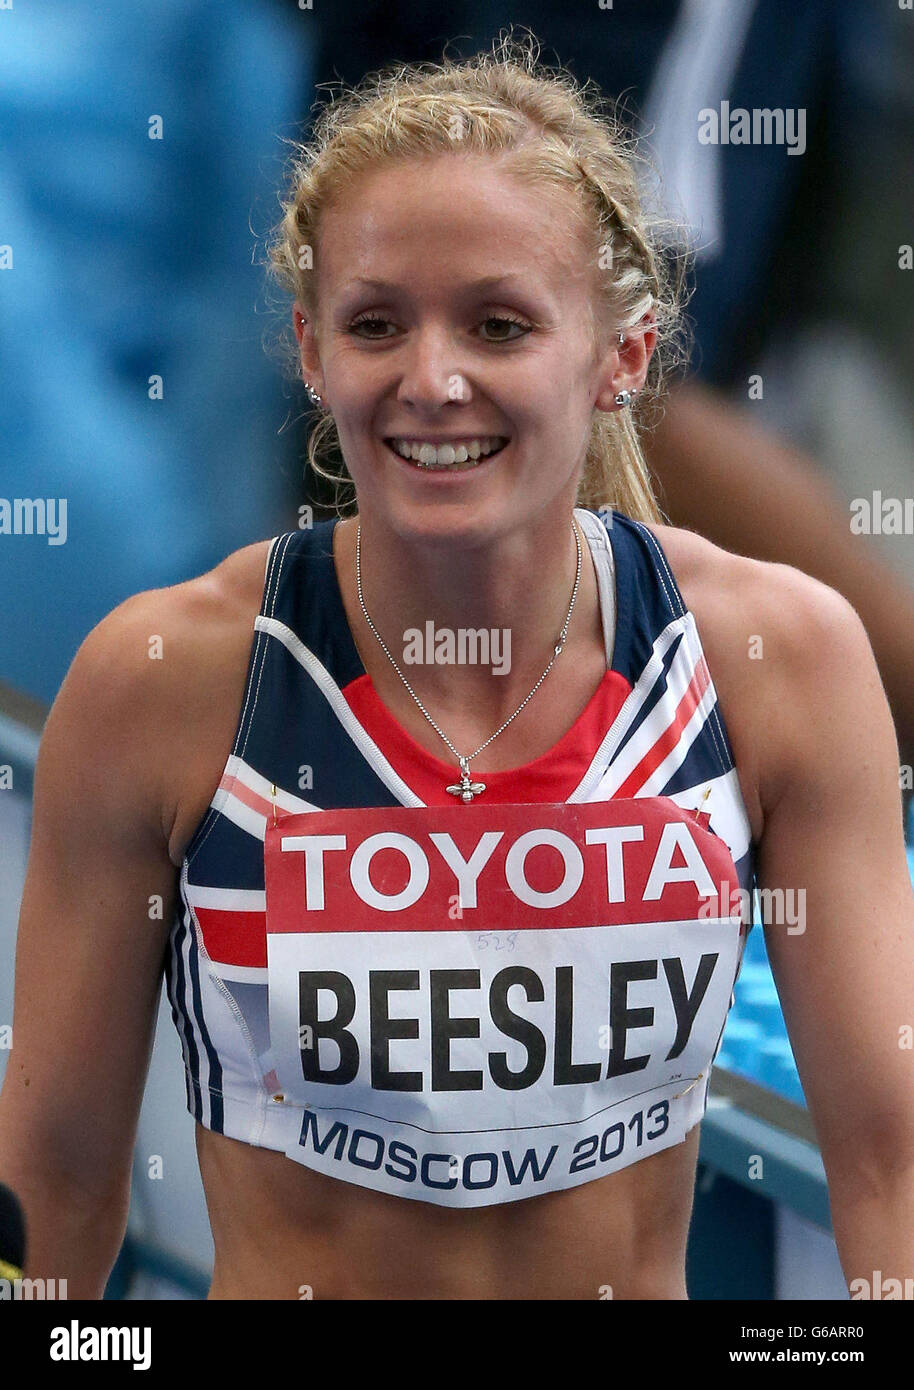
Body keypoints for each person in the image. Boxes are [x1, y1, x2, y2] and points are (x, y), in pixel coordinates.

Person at [1, 32, 912, 1301]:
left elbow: (886, 1161)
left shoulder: (775, 660)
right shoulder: (162, 681)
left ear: (621, 357)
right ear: (311, 351)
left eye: (497, 324)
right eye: (376, 324)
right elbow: (51, 1182)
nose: (431, 381)